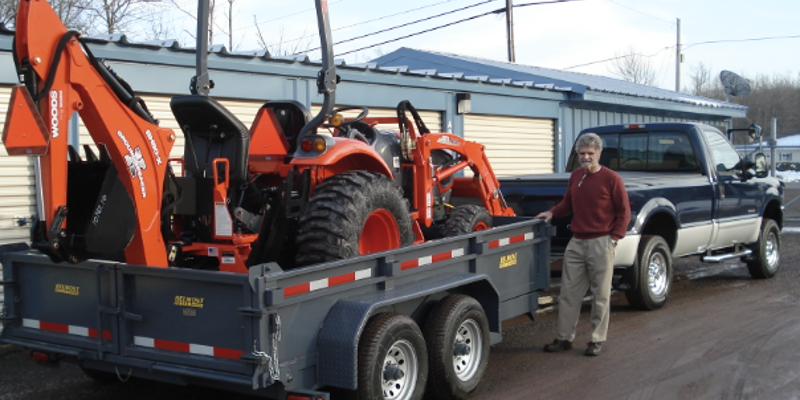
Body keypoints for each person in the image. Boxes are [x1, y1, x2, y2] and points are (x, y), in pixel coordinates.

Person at [535, 132, 630, 356]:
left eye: (590, 153)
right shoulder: (576, 176)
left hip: (601, 242)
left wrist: (614, 237)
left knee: (601, 294)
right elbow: (567, 203)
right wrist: (551, 213)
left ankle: (596, 339)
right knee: (569, 293)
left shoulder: (612, 179)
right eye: (582, 153)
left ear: (598, 154)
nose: (586, 157)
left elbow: (624, 212)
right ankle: (564, 337)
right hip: (577, 242)